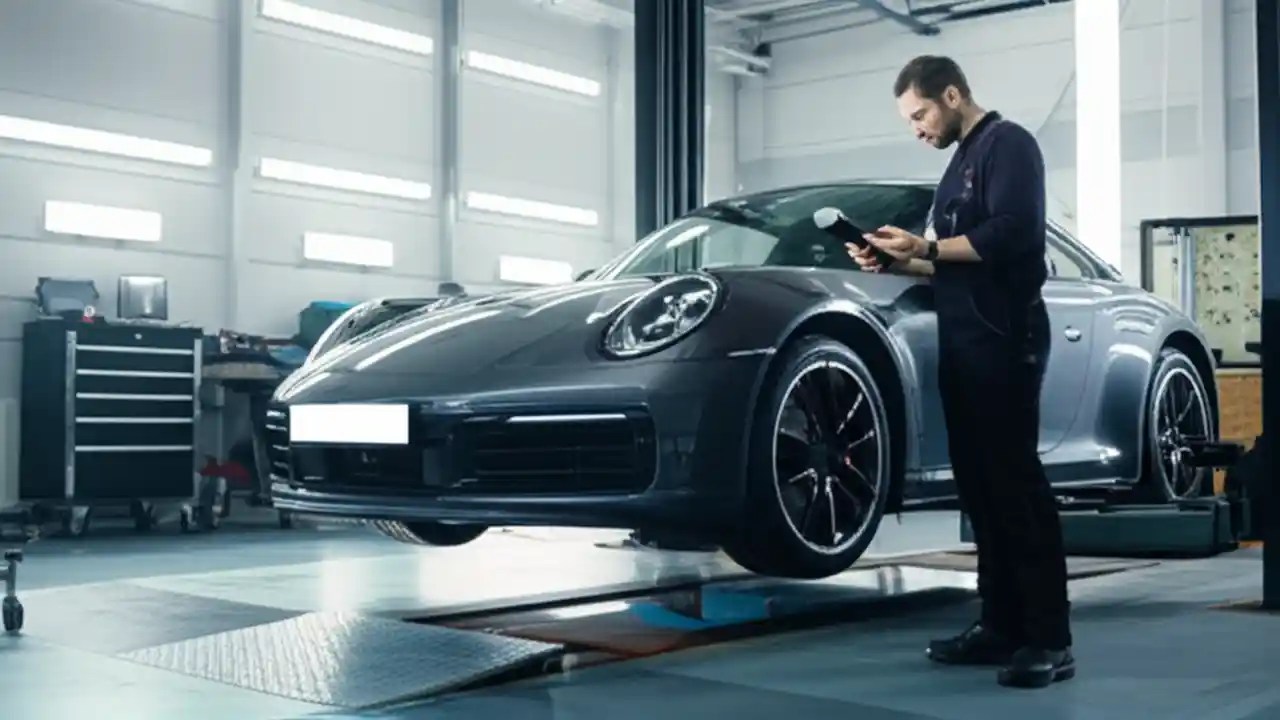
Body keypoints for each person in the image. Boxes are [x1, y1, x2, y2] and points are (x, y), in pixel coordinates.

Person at [847, 55, 1074, 689]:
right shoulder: (955, 169)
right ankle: (1000, 624)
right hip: (964, 343)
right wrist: (897, 261)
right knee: (980, 490)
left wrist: (923, 247)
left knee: (1015, 484)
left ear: (951, 95)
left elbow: (1013, 234)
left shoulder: (1009, 145)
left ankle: (1050, 638)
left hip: (1007, 337)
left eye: (920, 114)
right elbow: (953, 261)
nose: (915, 128)